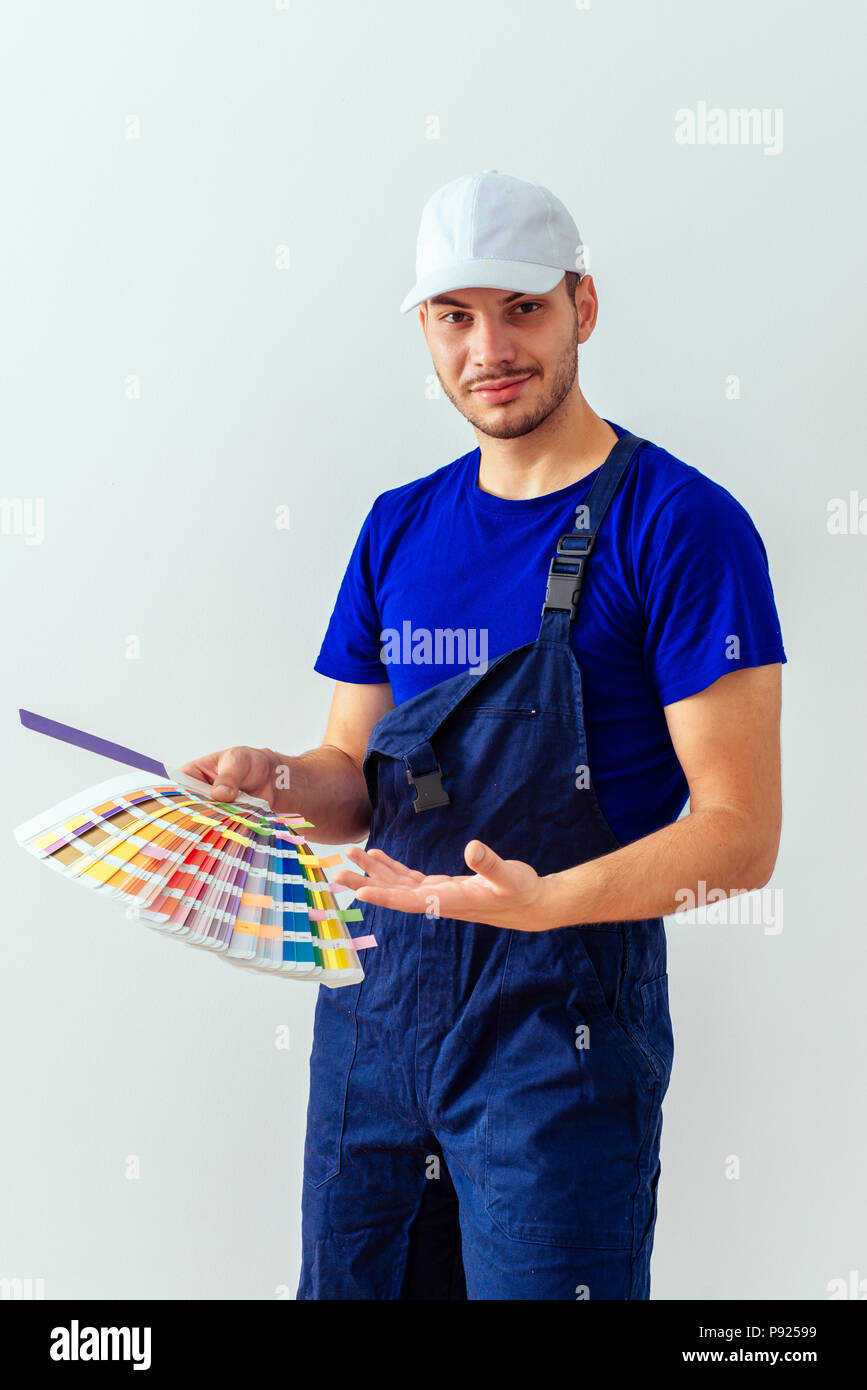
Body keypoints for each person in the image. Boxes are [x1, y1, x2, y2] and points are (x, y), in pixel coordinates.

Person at [180, 170, 786, 1300]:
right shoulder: (399, 525)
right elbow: (351, 782)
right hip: (373, 1010)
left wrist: (542, 901)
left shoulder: (682, 524)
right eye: (455, 315)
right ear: (425, 329)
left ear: (583, 308)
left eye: (522, 308)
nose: (488, 346)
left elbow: (742, 839)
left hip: (558, 1029)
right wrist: (273, 777)